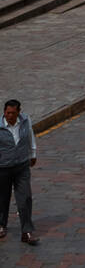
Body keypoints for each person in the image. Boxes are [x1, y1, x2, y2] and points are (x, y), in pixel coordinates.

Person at [0, 100, 39, 245]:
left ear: (18, 112)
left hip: (21, 166)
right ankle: (1, 225)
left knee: (25, 198)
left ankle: (26, 231)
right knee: (2, 198)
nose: (10, 116)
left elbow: (30, 136)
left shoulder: (25, 120)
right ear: (4, 112)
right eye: (7, 113)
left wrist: (33, 153)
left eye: (13, 113)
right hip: (3, 167)